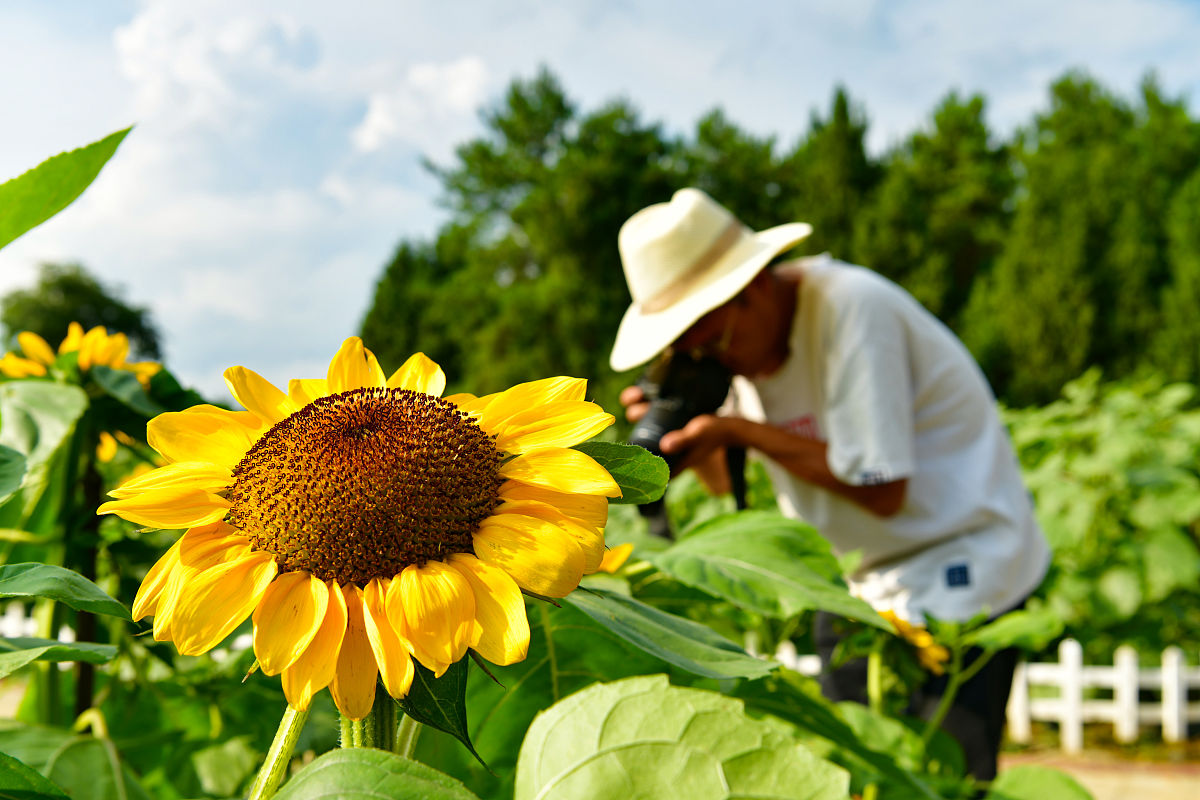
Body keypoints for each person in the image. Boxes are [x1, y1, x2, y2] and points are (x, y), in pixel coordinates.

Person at [611, 187, 1050, 781]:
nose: (717, 361)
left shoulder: (849, 309)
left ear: (756, 285)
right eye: (688, 350)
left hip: (961, 559)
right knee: (849, 772)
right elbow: (719, 484)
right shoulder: (739, 347)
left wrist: (743, 430)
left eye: (710, 342)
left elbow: (880, 488)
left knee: (945, 778)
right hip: (854, 582)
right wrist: (682, 431)